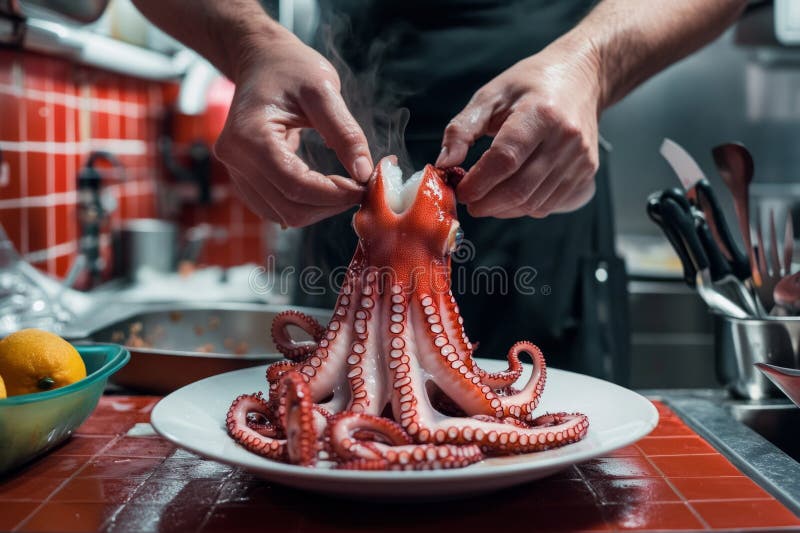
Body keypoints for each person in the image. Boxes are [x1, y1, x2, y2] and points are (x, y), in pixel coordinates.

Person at [133, 0, 747, 381]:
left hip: (540, 185)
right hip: (345, 195)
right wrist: (251, 45)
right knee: (327, 459)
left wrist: (591, 64)